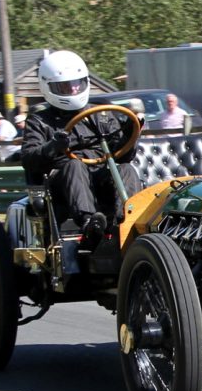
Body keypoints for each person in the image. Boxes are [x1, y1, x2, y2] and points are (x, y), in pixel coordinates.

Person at [21, 50, 142, 246]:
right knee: (74, 165)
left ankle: (129, 221)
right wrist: (52, 147)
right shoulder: (40, 120)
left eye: (77, 85)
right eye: (65, 87)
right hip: (63, 182)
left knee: (125, 169)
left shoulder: (101, 114)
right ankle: (89, 224)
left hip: (101, 173)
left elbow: (123, 156)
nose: (73, 90)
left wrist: (129, 135)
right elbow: (28, 158)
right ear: (48, 86)